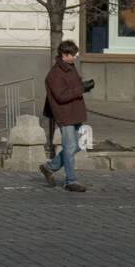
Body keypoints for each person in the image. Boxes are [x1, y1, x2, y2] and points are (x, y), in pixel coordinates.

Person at [41, 40, 89, 192]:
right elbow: (61, 96)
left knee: (79, 145)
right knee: (69, 147)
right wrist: (81, 89)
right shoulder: (54, 74)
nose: (75, 57)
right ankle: (70, 181)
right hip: (65, 114)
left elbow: (76, 85)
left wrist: (85, 86)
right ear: (64, 55)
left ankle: (49, 167)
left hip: (75, 112)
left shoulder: (71, 67)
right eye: (73, 55)